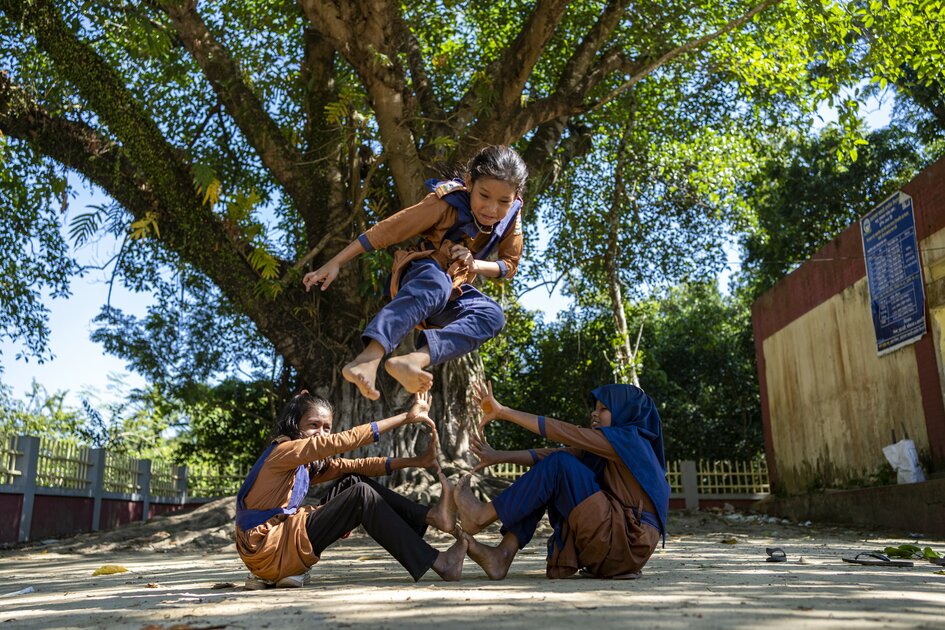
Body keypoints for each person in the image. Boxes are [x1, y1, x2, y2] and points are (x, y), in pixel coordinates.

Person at [302, 145, 528, 400]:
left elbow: (509, 265)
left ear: (515, 197)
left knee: (492, 315)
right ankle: (369, 357)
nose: (492, 209)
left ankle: (413, 360)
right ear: (469, 183)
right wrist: (336, 262)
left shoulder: (512, 214)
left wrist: (475, 265)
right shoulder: (444, 202)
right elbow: (387, 230)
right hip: (421, 273)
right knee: (437, 282)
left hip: (452, 288)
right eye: (484, 195)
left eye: (503, 202)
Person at [235, 391, 466, 587]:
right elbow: (345, 440)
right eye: (313, 425)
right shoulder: (285, 451)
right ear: (296, 425)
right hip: (267, 550)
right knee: (361, 496)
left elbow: (357, 466)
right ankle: (440, 562)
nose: (321, 434)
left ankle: (430, 516)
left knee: (353, 480)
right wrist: (406, 417)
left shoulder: (303, 464)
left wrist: (416, 461)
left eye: (327, 428)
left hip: (276, 544)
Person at [454, 382, 669, 580]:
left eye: (604, 408)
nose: (594, 413)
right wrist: (500, 456)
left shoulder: (630, 441)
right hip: (617, 549)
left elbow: (566, 434)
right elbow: (548, 457)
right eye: (595, 408)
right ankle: (502, 555)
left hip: (624, 545)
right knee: (553, 470)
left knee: (559, 465)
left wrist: (503, 412)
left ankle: (481, 516)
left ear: (625, 412)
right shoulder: (609, 449)